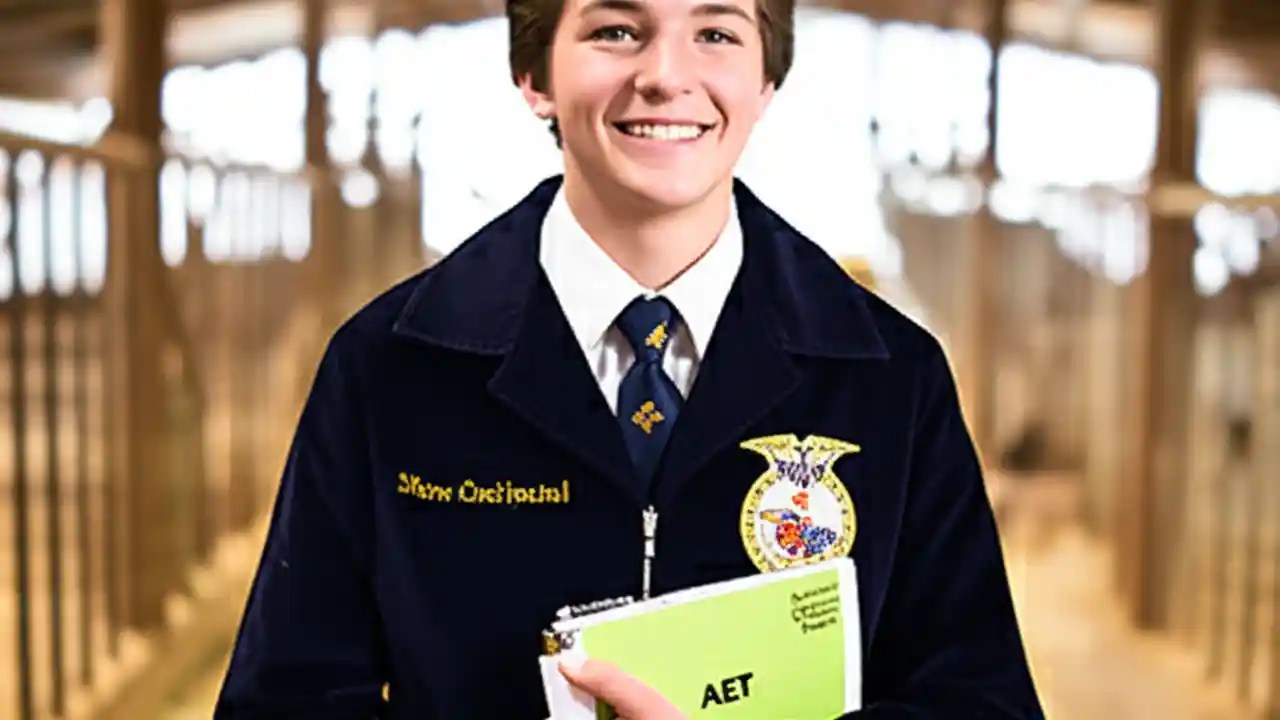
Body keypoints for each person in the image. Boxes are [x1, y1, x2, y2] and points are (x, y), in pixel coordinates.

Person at [214, 0, 1044, 717]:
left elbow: (979, 701)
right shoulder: (392, 369)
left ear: (766, 81)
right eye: (616, 30)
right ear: (534, 74)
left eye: (716, 34)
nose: (666, 76)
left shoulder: (887, 378)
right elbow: (286, 698)